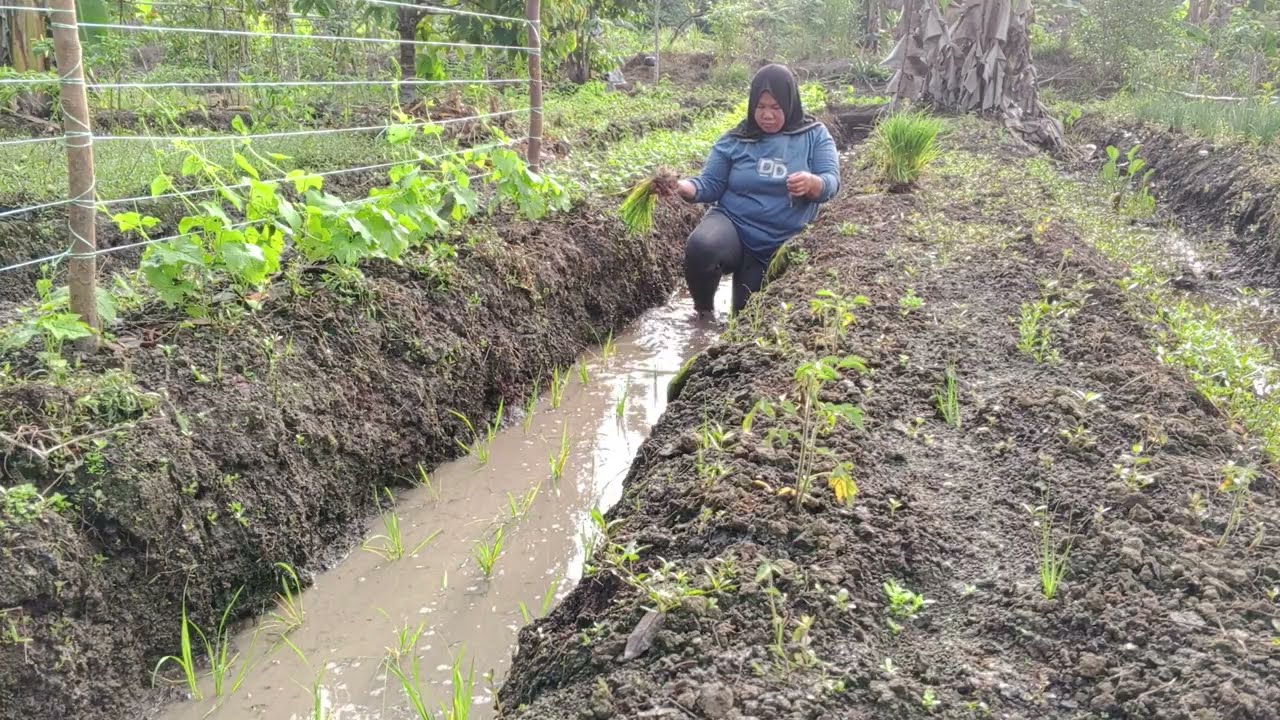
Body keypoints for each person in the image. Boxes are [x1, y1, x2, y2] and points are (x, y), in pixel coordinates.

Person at [661, 63, 841, 319]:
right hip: (735, 226)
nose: (767, 115)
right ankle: (702, 314)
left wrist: (813, 184)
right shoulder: (736, 139)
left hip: (783, 240)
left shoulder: (813, 135)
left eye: (776, 108)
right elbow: (709, 184)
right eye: (761, 107)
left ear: (790, 104)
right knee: (702, 247)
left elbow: (831, 182)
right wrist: (679, 186)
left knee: (746, 317)